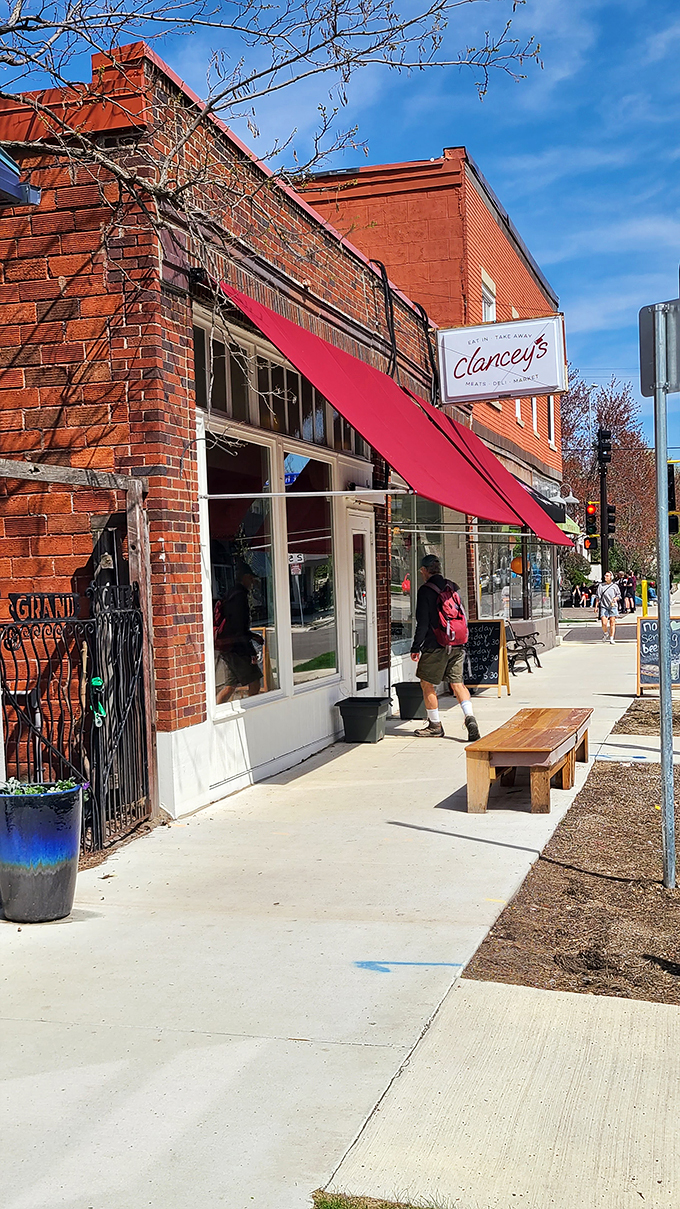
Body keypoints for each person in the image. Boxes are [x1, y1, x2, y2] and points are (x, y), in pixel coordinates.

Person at [410, 554, 480, 740]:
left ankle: (435, 725)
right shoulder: (452, 587)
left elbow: (423, 623)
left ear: (424, 571)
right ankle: (470, 717)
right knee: (457, 683)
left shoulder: (425, 590)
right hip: (457, 643)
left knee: (427, 683)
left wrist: (416, 647)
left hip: (436, 644)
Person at [214, 562, 264, 704]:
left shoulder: (230, 593)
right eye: (251, 579)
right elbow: (239, 628)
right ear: (245, 577)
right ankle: (252, 710)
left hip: (227, 646)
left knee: (230, 686)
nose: (253, 583)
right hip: (237, 648)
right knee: (254, 681)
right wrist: (251, 650)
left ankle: (217, 709)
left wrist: (252, 636)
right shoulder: (239, 597)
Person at [595, 570, 621, 643]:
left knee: (612, 622)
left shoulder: (615, 586)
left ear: (611, 577)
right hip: (604, 606)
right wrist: (596, 606)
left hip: (613, 606)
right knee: (604, 622)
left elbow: (619, 595)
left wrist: (615, 599)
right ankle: (606, 633)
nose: (605, 577)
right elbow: (597, 597)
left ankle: (612, 638)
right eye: (605, 576)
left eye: (607, 576)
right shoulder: (601, 586)